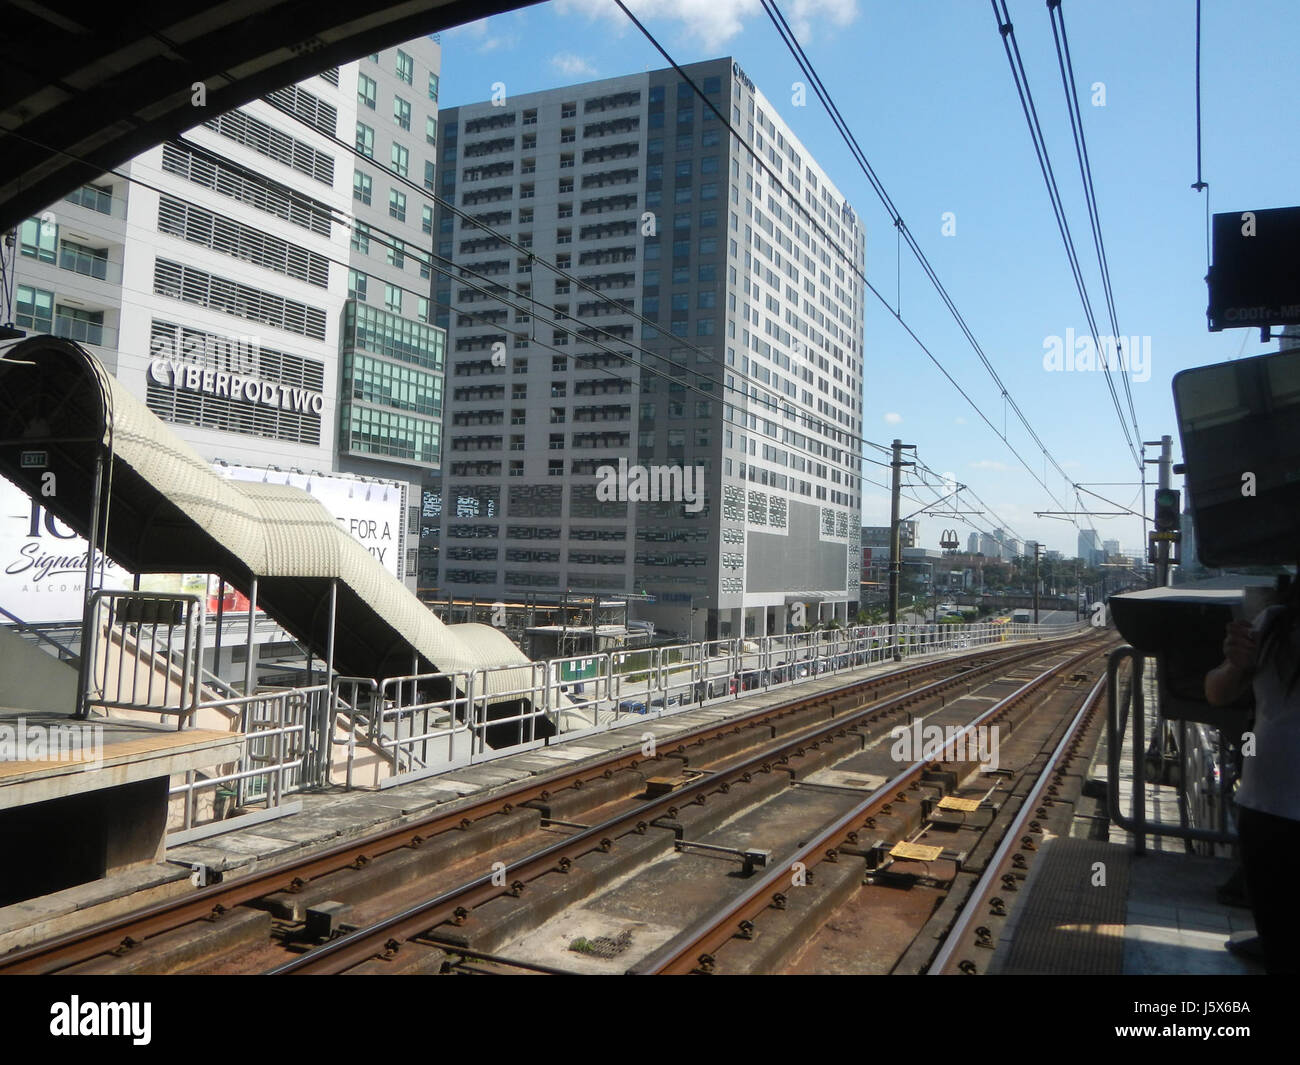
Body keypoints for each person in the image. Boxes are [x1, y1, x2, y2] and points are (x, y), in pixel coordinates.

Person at [1205, 577, 1300, 974]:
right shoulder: (1275, 623)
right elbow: (1217, 691)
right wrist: (1235, 663)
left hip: (1268, 802)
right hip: (1267, 805)